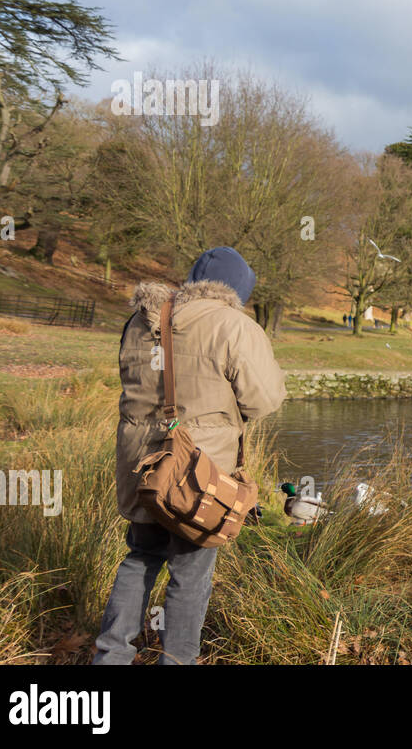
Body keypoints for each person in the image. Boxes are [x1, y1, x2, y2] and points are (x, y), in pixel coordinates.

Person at [94, 247, 286, 665]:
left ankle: (110, 657)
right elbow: (265, 400)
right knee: (190, 571)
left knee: (140, 556)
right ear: (237, 290)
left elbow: (133, 383)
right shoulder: (235, 326)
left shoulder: (141, 320)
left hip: (140, 465)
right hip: (197, 472)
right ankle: (177, 661)